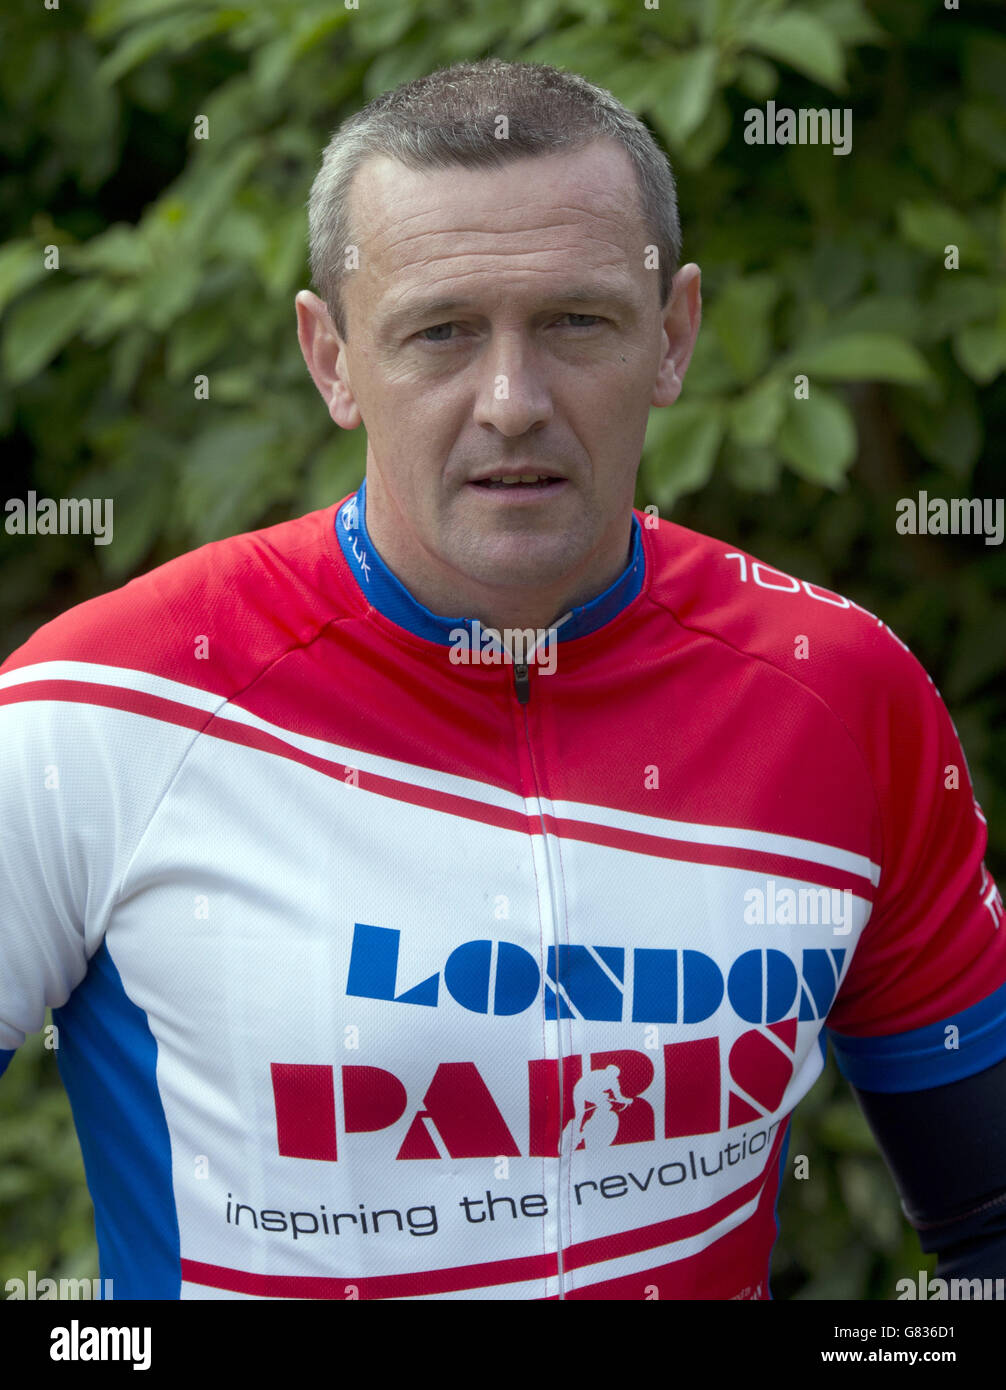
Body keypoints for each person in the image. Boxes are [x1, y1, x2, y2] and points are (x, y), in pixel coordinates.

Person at [1, 58, 1004, 1302]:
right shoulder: (100, 710)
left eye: (577, 323)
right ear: (332, 359)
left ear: (673, 337)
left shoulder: (839, 693)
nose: (512, 402)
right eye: (440, 332)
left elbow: (987, 1216)